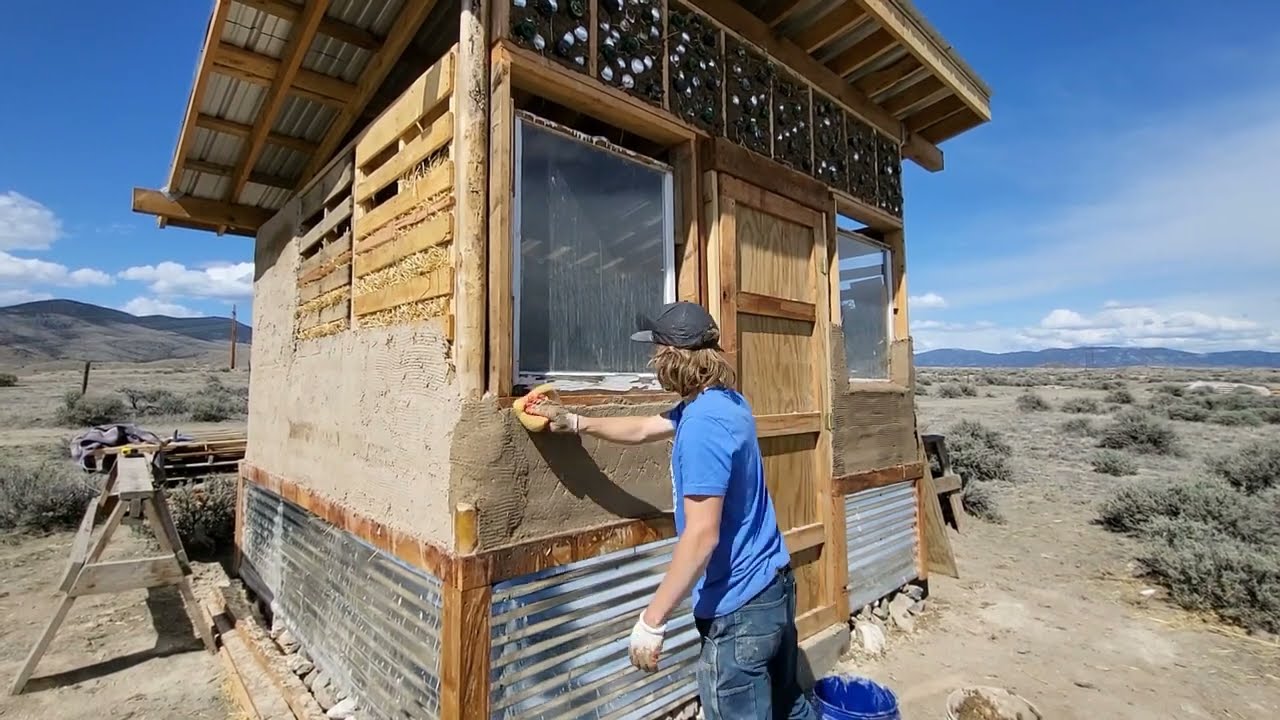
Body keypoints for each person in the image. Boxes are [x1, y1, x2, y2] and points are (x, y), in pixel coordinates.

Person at [527, 301, 817, 720]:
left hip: (739, 610)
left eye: (656, 353)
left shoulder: (702, 427)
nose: (652, 363)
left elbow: (702, 536)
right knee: (789, 705)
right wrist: (576, 422)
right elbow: (646, 427)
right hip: (774, 585)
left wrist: (653, 617)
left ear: (671, 357)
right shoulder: (724, 403)